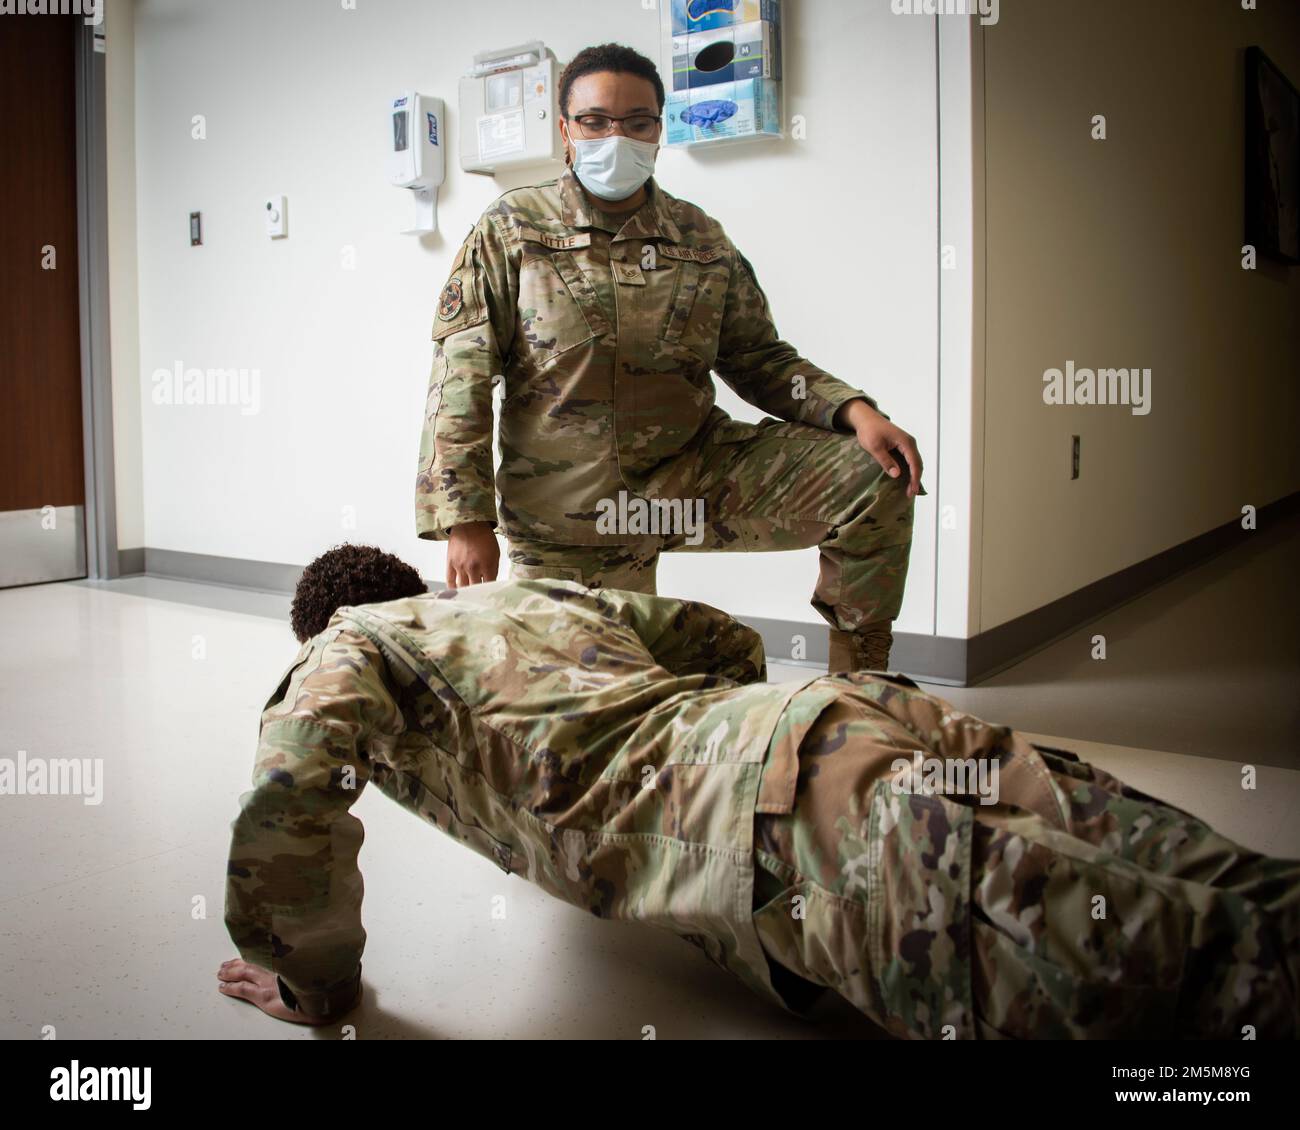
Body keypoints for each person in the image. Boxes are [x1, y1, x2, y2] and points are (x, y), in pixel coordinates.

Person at [219, 544, 1299, 1038]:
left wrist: (319, 989)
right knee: (1187, 870)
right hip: (850, 715)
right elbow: (710, 633)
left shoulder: (349, 645)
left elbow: (289, 799)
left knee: (1193, 981)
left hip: (813, 814)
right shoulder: (521, 597)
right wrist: (746, 738)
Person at [415, 42, 924, 673]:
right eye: (596, 120)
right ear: (566, 130)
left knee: (875, 473)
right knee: (602, 704)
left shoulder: (700, 238)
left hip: (690, 475)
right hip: (572, 509)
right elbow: (459, 381)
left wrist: (852, 411)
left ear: (660, 131)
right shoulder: (512, 229)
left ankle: (858, 685)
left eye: (637, 122)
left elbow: (759, 358)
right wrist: (466, 520)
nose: (616, 137)